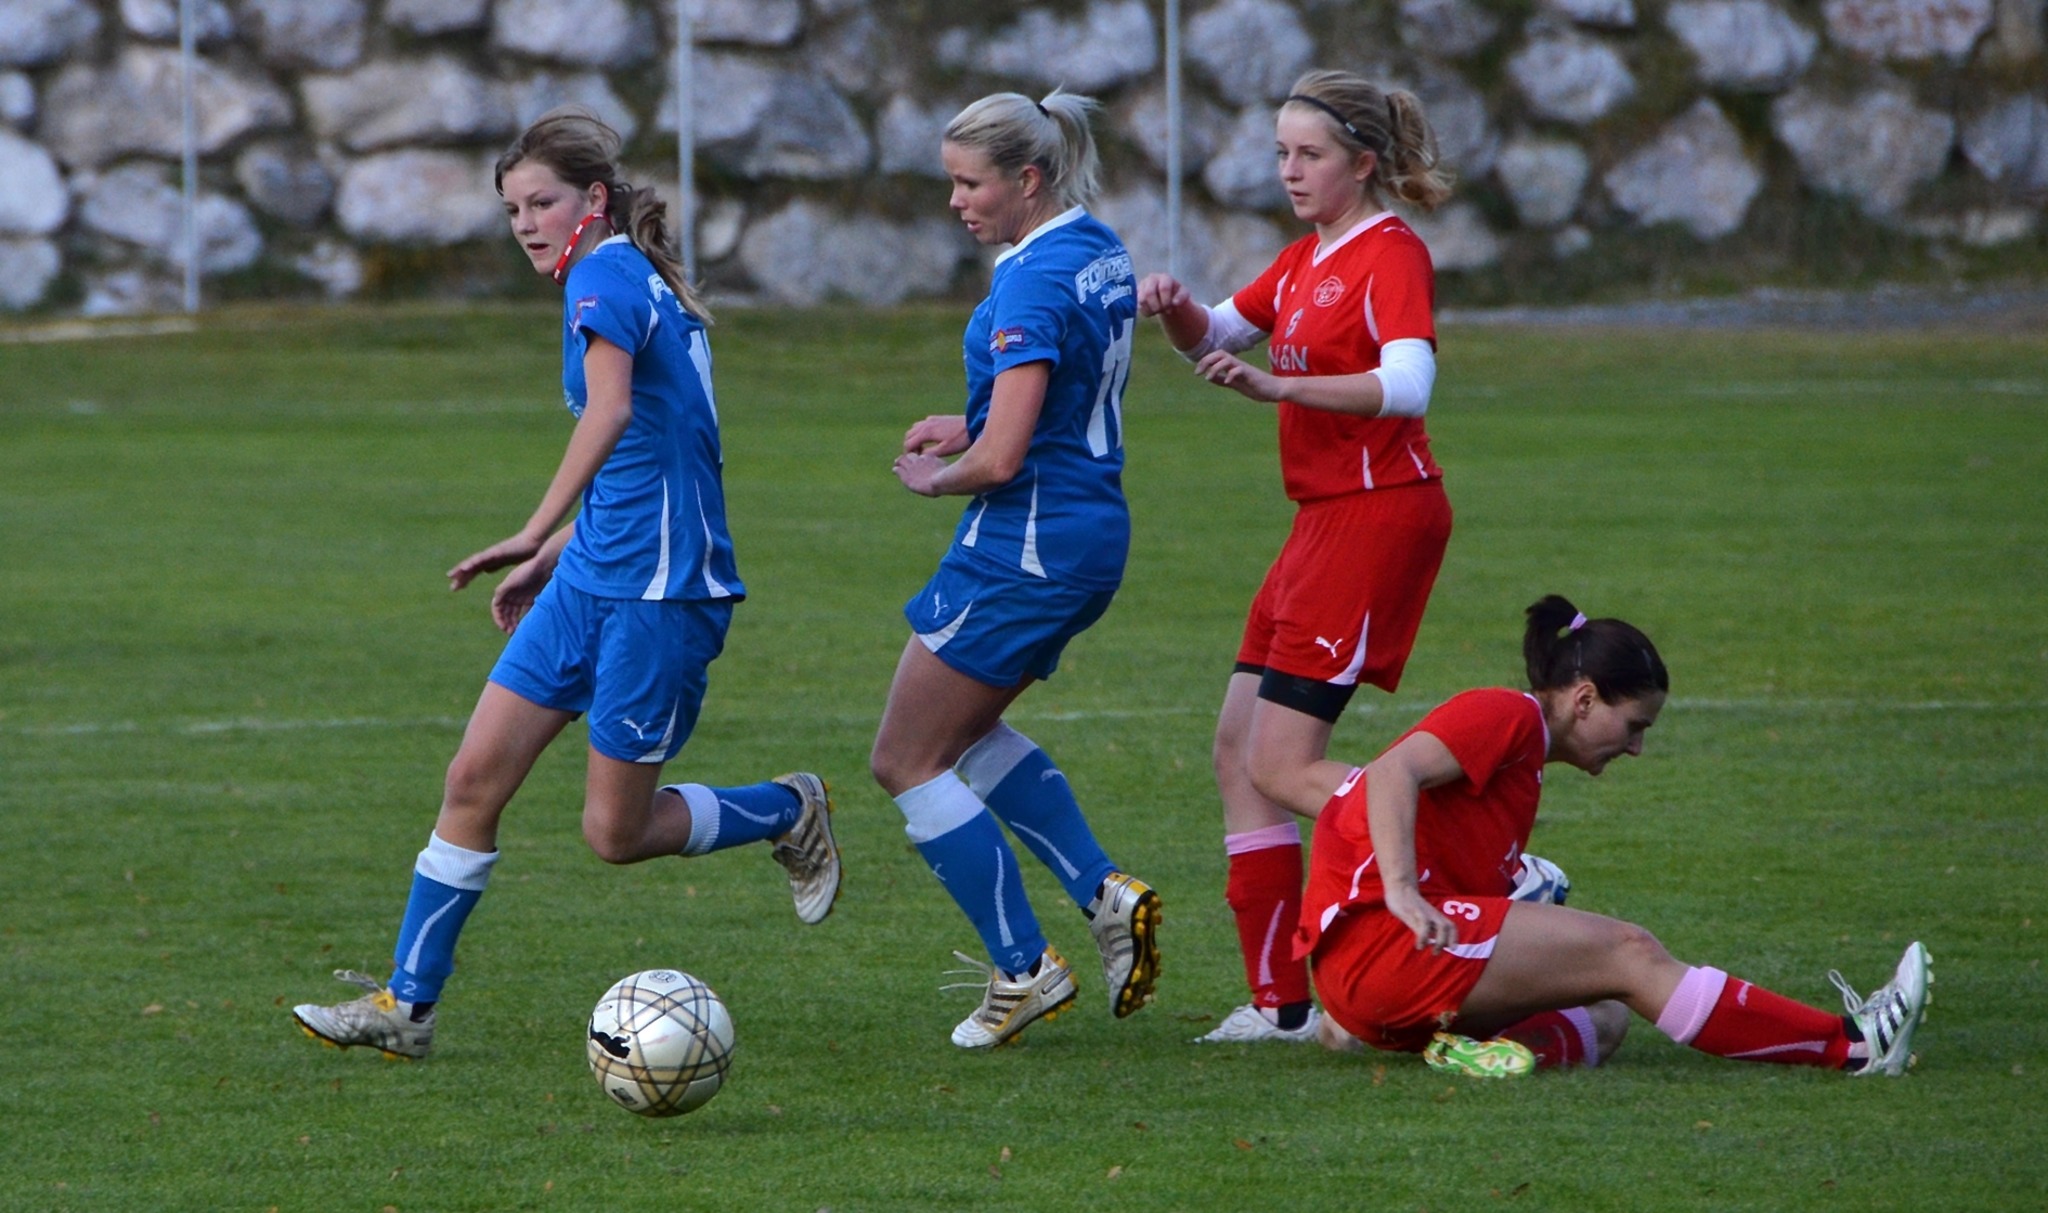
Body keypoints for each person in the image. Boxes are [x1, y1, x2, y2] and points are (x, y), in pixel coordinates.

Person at [292, 110, 840, 1060]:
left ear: (593, 199)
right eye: (512, 210)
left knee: (615, 833)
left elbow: (618, 412)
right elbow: (654, 448)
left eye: (542, 201)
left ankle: (787, 808)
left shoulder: (604, 275)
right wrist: (561, 555)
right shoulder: (627, 275)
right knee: (472, 778)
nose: (528, 223)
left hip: (662, 592)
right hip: (594, 574)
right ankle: (406, 1008)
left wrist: (533, 526)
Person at [1135, 70, 1458, 1044]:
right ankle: (1278, 1005)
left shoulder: (1389, 253)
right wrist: (1172, 308)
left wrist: (1281, 392)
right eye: (1280, 153)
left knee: (1280, 762)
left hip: (1374, 517)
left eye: (1308, 154)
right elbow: (1216, 340)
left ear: (1362, 161)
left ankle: (1485, 874)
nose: (1289, 170)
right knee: (1238, 754)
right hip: (1317, 523)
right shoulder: (1303, 258)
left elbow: (1407, 384)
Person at [1300, 595, 1931, 1078]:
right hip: (1381, 945)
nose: (1637, 746)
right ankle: (1850, 1044)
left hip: (1377, 976)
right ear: (1583, 699)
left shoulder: (1522, 767)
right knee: (1629, 952)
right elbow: (1389, 772)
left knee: (1603, 1016)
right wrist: (1404, 893)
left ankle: (1475, 1061)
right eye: (1632, 724)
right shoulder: (1507, 714)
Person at [871, 89, 1160, 1050]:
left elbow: (1000, 464)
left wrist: (935, 475)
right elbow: (1062, 397)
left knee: (906, 758)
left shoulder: (1030, 284)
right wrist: (979, 414)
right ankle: (1103, 891)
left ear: (1028, 178)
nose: (956, 200)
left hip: (1024, 542)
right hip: (1085, 529)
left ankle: (1022, 967)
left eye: (970, 182)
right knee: (969, 732)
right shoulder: (1097, 248)